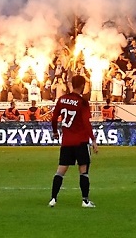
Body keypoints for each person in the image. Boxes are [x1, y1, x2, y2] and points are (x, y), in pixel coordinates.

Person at [49, 75, 98, 208]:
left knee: (60, 171)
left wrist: (55, 132)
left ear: (72, 84)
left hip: (67, 141)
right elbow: (86, 123)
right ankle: (85, 201)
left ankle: (53, 199)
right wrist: (93, 140)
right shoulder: (82, 102)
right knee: (83, 171)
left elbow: (54, 118)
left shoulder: (62, 99)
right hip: (81, 141)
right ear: (82, 85)